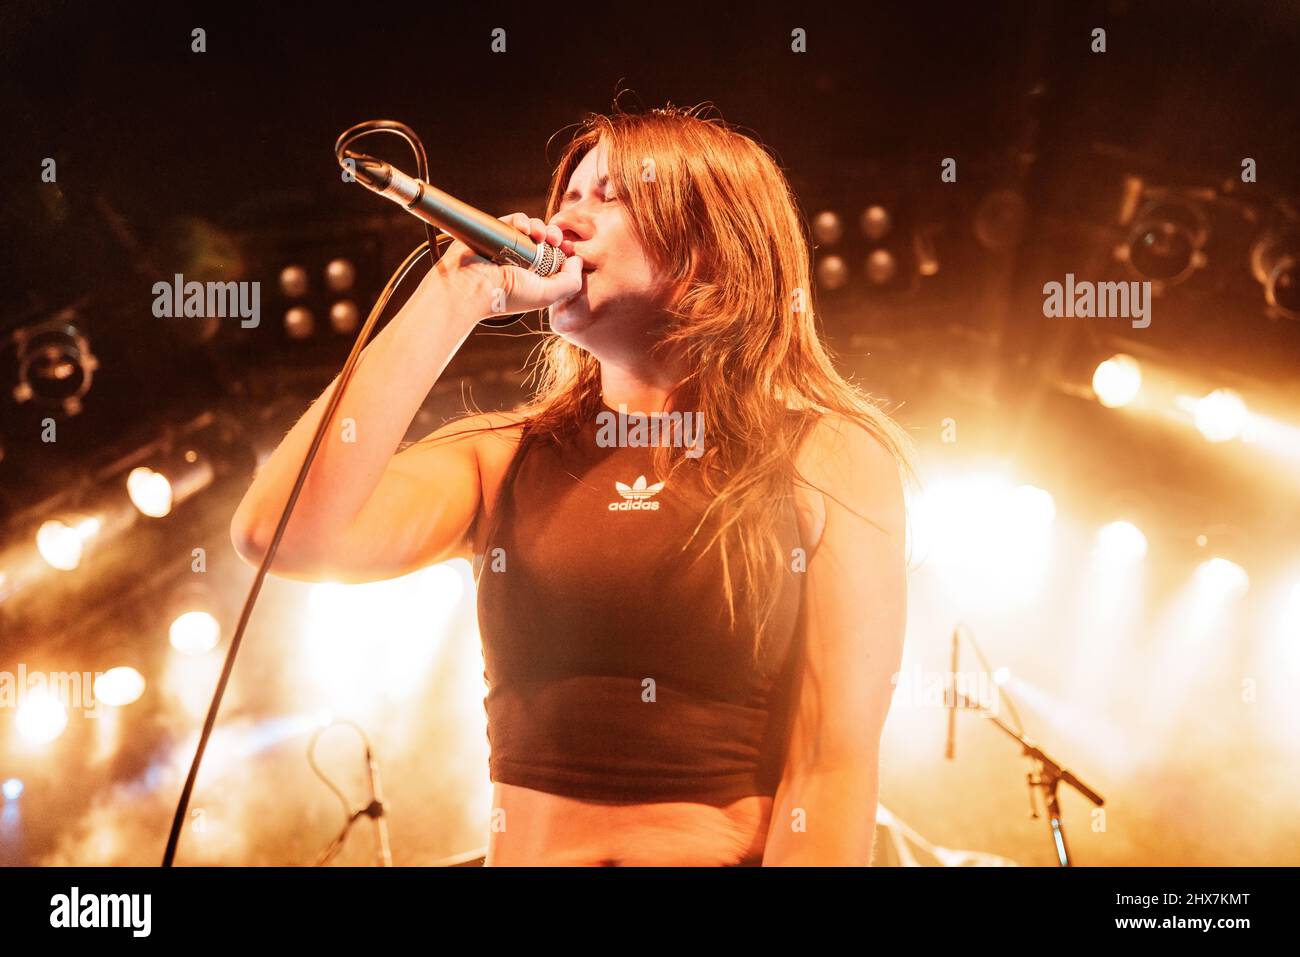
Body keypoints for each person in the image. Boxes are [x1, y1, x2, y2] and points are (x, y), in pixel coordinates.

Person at [231, 104, 914, 866]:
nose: (566, 218)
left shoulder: (825, 455)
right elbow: (278, 531)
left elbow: (834, 766)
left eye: (609, 196)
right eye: (570, 194)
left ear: (713, 244)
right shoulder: (502, 456)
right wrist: (454, 296)